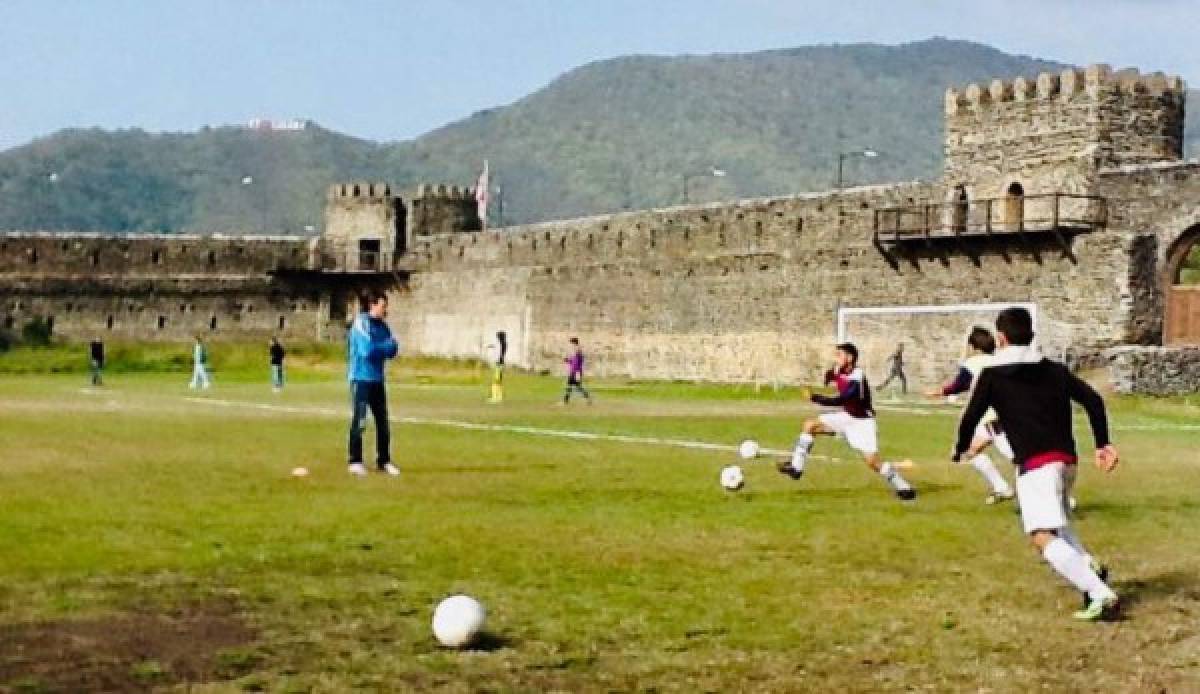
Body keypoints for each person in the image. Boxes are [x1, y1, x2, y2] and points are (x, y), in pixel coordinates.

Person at [955, 307, 1119, 621]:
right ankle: (1089, 565)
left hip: (1037, 464)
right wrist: (1102, 443)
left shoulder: (992, 375)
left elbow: (972, 416)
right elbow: (1093, 400)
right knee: (1059, 525)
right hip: (1066, 460)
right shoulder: (1054, 369)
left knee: (1041, 534)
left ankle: (1100, 593)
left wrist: (962, 447)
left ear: (1001, 338)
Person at [778, 343, 916, 501]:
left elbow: (841, 399)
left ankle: (904, 487)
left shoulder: (857, 378)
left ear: (850, 358)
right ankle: (796, 468)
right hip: (847, 417)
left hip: (862, 423)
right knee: (810, 425)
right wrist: (828, 376)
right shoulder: (839, 370)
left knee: (873, 463)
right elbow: (831, 375)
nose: (835, 358)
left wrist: (813, 397)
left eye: (839, 355)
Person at [925, 327, 1014, 505]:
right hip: (999, 416)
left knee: (1021, 459)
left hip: (994, 418)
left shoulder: (973, 363)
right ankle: (1002, 488)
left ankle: (1058, 497)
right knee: (967, 451)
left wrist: (938, 391)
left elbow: (959, 385)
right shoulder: (1000, 361)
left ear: (974, 346)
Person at [347, 290, 400, 477]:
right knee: (360, 421)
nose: (385, 310)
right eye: (383, 306)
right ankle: (355, 460)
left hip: (378, 379)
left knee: (383, 423)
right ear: (373, 305)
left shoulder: (383, 327)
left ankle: (384, 460)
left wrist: (384, 347)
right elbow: (366, 350)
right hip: (361, 378)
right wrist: (383, 347)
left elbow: (394, 348)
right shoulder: (362, 323)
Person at [561, 337, 591, 405]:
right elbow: (573, 361)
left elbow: (577, 362)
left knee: (574, 386)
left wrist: (570, 361)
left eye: (572, 344)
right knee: (575, 386)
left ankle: (565, 401)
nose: (571, 346)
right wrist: (567, 360)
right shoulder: (576, 353)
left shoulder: (578, 351)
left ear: (574, 343)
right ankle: (566, 400)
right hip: (574, 371)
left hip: (576, 372)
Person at [487, 330, 507, 404]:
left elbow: (498, 353)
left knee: (496, 381)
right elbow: (496, 346)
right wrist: (491, 346)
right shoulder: (503, 344)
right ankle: (499, 396)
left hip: (499, 364)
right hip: (500, 363)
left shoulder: (501, 344)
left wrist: (496, 362)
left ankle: (495, 397)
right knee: (498, 381)